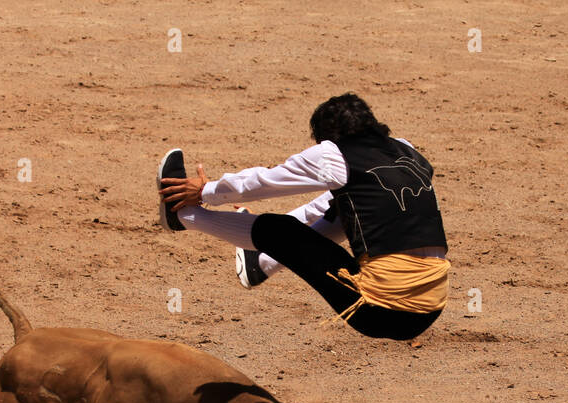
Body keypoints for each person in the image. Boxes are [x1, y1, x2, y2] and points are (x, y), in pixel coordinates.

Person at [157, 93, 449, 341]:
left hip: (380, 311)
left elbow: (263, 184)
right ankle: (261, 263)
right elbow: (342, 213)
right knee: (341, 209)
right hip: (432, 308)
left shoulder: (333, 155)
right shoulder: (408, 152)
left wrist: (205, 191)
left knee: (278, 230)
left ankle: (183, 214)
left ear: (327, 138)